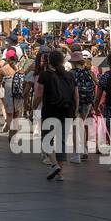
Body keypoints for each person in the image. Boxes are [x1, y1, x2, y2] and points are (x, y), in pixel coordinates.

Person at [35, 50, 76, 181]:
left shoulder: (44, 75)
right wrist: (74, 110)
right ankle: (60, 173)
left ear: (49, 61)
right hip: (67, 110)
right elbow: (76, 95)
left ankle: (54, 164)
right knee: (62, 141)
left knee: (47, 139)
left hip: (50, 111)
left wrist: (33, 107)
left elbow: (39, 95)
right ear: (62, 61)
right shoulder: (70, 75)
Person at [70, 50, 98, 164]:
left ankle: (77, 154)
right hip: (87, 101)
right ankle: (85, 149)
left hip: (75, 102)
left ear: (73, 62)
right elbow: (96, 84)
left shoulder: (71, 73)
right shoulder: (89, 72)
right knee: (82, 123)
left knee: (76, 127)